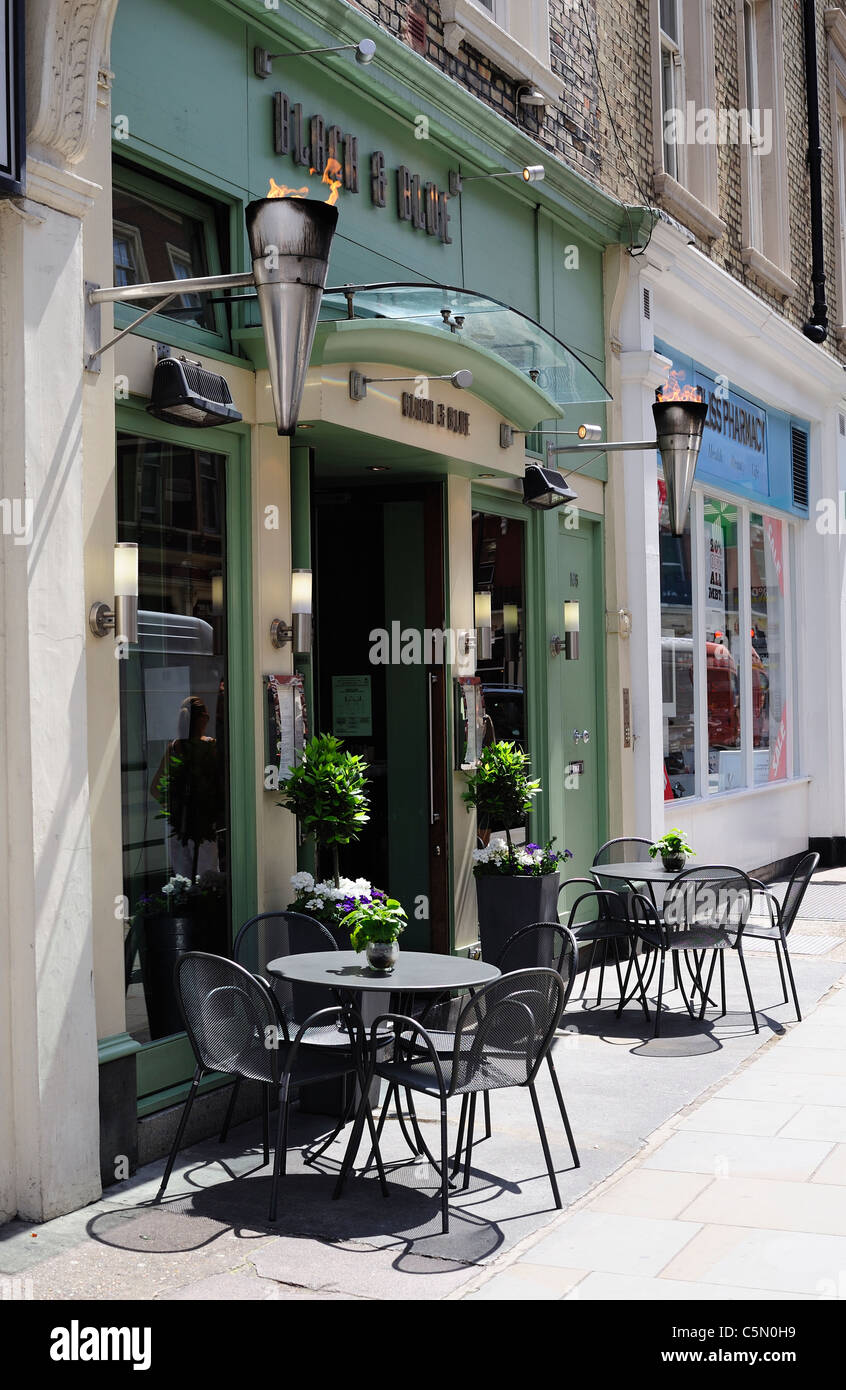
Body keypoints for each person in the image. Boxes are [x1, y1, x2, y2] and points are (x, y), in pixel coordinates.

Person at [150, 695, 223, 877]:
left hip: (177, 824)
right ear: (203, 719)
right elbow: (219, 783)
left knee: (182, 878)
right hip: (202, 821)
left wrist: (173, 808)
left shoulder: (174, 747)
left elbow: (155, 787)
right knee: (207, 876)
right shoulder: (209, 746)